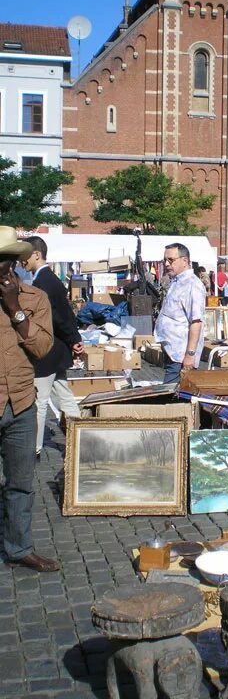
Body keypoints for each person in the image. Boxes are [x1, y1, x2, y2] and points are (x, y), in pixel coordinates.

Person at [0, 227, 58, 571]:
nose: (7, 269)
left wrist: (14, 308)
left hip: (21, 403)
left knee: (20, 484)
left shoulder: (34, 298)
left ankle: (19, 548)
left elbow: (42, 348)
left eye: (10, 262)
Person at [21, 236, 83, 456]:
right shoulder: (49, 279)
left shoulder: (42, 283)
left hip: (47, 351)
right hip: (57, 350)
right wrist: (74, 339)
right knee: (64, 396)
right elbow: (64, 316)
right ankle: (82, 440)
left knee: (40, 401)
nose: (21, 262)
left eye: (25, 257)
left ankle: (35, 448)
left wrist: (73, 338)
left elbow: (57, 318)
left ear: (36, 254)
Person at [155, 243, 206, 383]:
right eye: (165, 260)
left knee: (172, 397)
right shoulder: (176, 281)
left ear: (184, 261)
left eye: (171, 260)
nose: (166, 264)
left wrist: (190, 355)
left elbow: (196, 322)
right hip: (172, 351)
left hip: (181, 355)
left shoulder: (192, 285)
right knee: (171, 393)